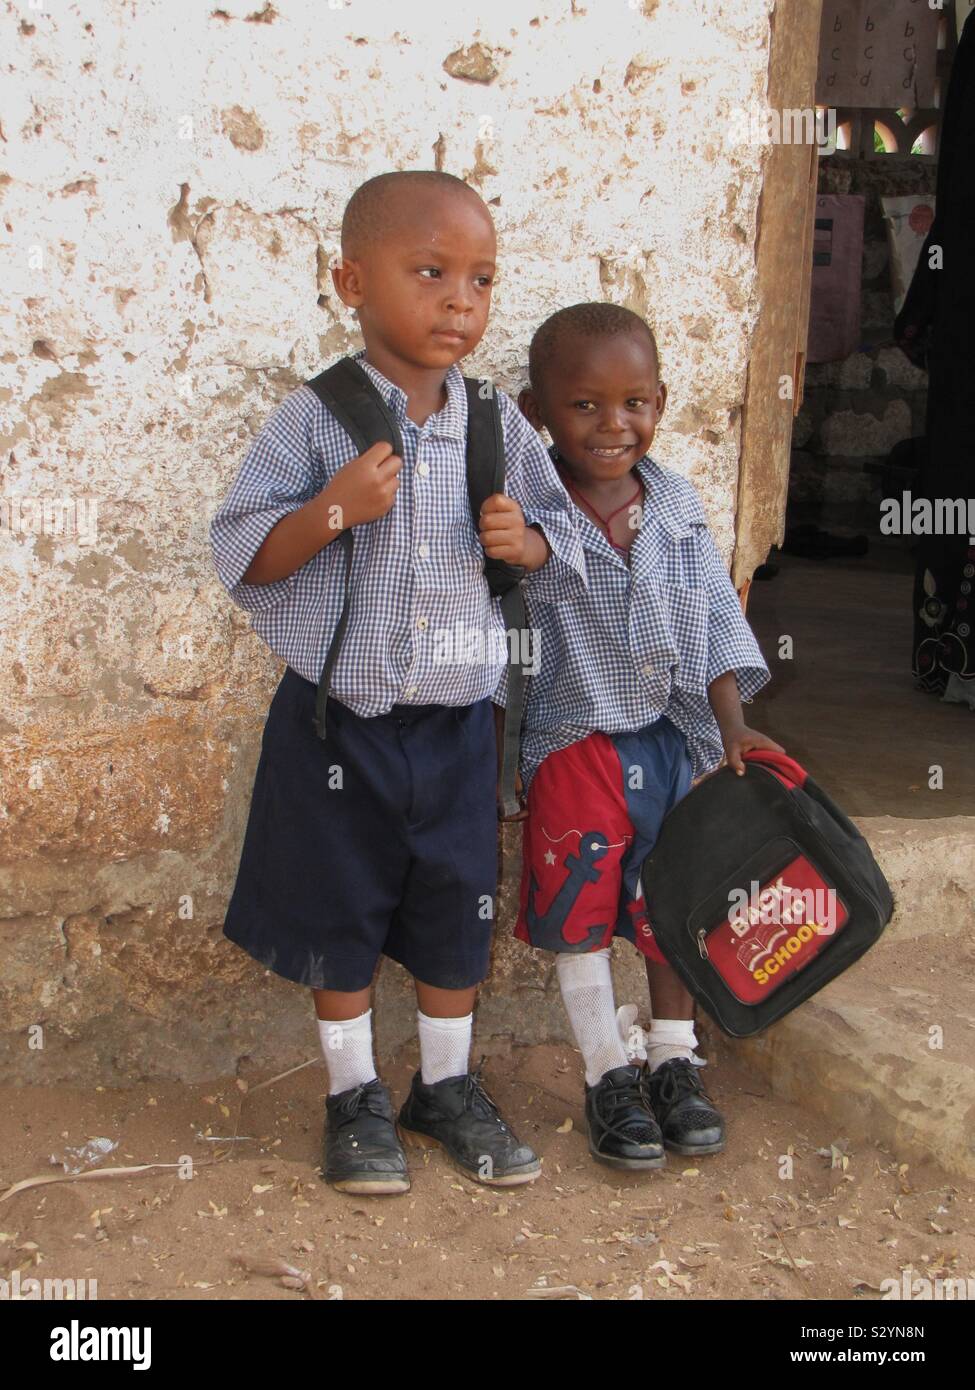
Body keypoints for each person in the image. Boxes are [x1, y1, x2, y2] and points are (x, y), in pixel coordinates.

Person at [209, 171, 586, 1195]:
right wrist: (332, 508)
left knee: (454, 911)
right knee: (339, 912)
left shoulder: (498, 428)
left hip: (460, 727)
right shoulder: (315, 419)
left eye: (481, 280)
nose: (460, 301)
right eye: (431, 273)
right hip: (340, 726)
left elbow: (573, 547)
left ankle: (446, 1086)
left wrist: (534, 544)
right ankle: (351, 1097)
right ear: (351, 282)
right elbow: (242, 551)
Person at [514, 302, 781, 1170]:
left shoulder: (674, 506)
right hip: (573, 742)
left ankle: (672, 1056)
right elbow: (497, 618)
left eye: (633, 402)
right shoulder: (524, 511)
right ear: (535, 410)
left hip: (671, 742)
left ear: (660, 402)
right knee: (578, 910)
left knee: (674, 902)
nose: (611, 423)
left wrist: (732, 726)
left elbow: (711, 618)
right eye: (584, 404)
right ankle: (605, 1074)